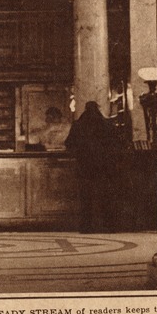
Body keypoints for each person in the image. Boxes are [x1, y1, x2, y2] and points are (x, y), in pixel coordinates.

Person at [64, 100, 116, 233]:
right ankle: (108, 225)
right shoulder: (106, 124)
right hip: (104, 167)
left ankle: (86, 226)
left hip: (85, 167)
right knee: (105, 196)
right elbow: (115, 143)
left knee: (86, 198)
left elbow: (69, 143)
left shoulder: (78, 125)